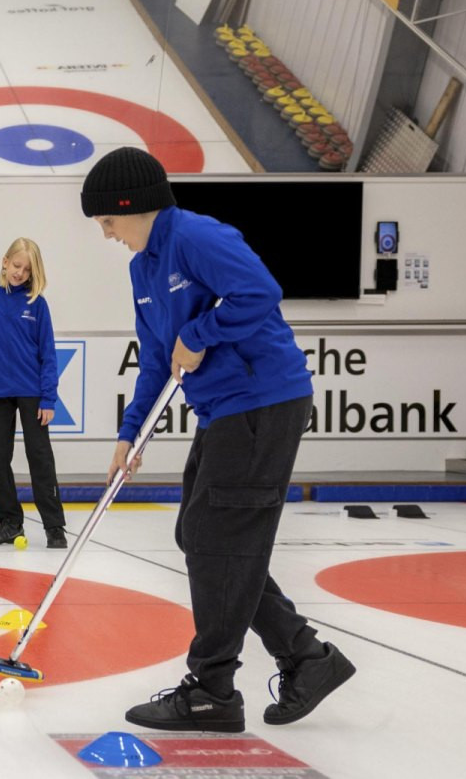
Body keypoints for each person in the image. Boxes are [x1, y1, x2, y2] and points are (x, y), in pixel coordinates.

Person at [81, 147, 355, 733]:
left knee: (219, 537)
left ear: (133, 206)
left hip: (263, 401)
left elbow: (260, 292)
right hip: (224, 410)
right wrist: (130, 435)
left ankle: (213, 688)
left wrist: (202, 332)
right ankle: (306, 657)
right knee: (200, 534)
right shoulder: (142, 268)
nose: (105, 233)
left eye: (107, 220)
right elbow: (158, 357)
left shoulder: (197, 236)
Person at [0, 237, 67, 550]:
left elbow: (48, 353)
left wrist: (49, 398)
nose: (20, 273)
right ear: (4, 262)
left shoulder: (37, 304)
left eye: (27, 269)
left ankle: (54, 525)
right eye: (16, 265)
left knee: (40, 457)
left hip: (32, 393)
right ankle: (9, 522)